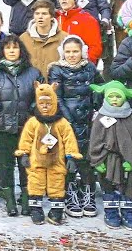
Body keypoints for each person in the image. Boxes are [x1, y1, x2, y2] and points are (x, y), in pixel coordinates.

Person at [0, 34, 39, 217]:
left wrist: (32, 110)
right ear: (3, 51)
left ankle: (26, 198)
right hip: (2, 126)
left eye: (15, 47)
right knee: (5, 165)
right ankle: (10, 199)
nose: (12, 51)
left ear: (21, 50)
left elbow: (41, 95)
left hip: (26, 126)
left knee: (25, 164)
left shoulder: (33, 72)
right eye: (8, 48)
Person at [49, 34, 100, 219]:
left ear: (82, 52)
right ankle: (70, 194)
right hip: (67, 121)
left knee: (87, 159)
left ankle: (88, 193)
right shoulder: (56, 70)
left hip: (88, 120)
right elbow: (57, 97)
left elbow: (98, 88)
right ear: (63, 52)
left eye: (75, 51)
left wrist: (96, 108)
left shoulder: (90, 68)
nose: (72, 55)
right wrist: (68, 119)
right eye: (68, 51)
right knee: (69, 158)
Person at [17, 84, 83, 225]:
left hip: (56, 161)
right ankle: (36, 208)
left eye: (48, 103)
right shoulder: (33, 122)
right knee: (35, 183)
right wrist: (24, 153)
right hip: (36, 161)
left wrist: (71, 156)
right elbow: (26, 139)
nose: (45, 106)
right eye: (41, 103)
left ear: (54, 102)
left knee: (57, 184)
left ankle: (56, 210)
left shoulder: (61, 122)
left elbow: (69, 139)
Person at [88, 80, 132, 229]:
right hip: (107, 159)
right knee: (108, 185)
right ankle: (111, 211)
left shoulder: (131, 116)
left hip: (126, 160)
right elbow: (95, 139)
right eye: (111, 97)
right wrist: (98, 160)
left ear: (124, 97)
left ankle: (128, 212)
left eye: (118, 97)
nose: (114, 100)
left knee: (129, 185)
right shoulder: (101, 117)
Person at [23, 0, 66, 77]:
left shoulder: (64, 37)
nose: (40, 17)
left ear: (52, 17)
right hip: (32, 85)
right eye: (37, 13)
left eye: (44, 14)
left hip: (55, 85)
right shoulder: (23, 38)